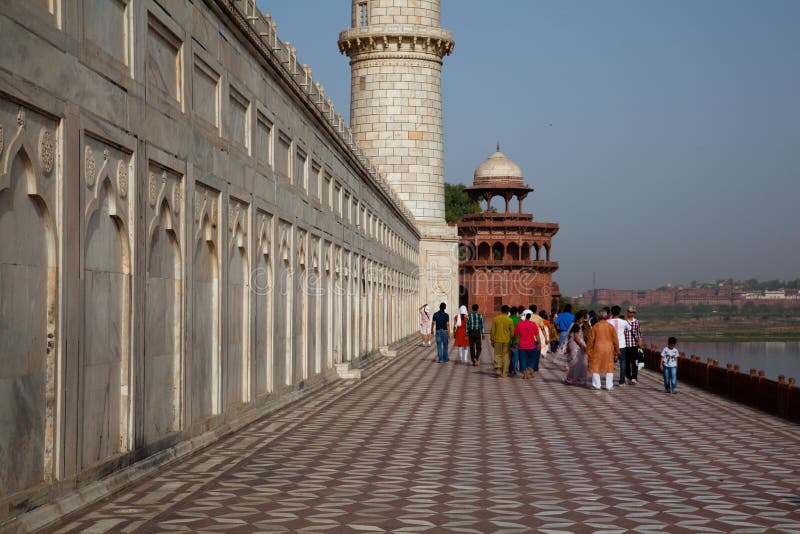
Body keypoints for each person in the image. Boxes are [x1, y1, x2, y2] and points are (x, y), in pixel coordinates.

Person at [586, 307, 619, 391]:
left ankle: (597, 385)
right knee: (609, 366)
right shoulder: (611, 327)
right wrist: (617, 351)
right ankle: (609, 385)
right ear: (606, 316)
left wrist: (588, 350)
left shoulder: (595, 327)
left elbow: (591, 340)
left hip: (597, 348)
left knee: (595, 366)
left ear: (598, 317)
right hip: (609, 349)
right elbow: (615, 340)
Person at [607, 305, 631, 387]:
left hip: (611, 345)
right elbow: (630, 328)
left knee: (610, 363)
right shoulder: (623, 322)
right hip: (621, 345)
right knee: (623, 363)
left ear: (611, 312)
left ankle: (609, 381)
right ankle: (621, 382)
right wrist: (625, 320)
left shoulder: (608, 322)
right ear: (619, 312)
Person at [513, 309, 541, 379]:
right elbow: (537, 335)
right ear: (530, 317)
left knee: (523, 360)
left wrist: (513, 342)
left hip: (522, 346)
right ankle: (530, 367)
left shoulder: (519, 324)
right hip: (531, 345)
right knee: (532, 359)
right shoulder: (533, 324)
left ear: (524, 317)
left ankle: (525, 374)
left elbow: (515, 334)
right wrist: (539, 343)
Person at [564, 310, 589, 385]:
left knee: (581, 361)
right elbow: (576, 337)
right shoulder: (576, 325)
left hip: (577, 344)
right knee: (575, 362)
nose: (584, 319)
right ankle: (573, 378)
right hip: (576, 345)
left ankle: (579, 378)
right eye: (584, 318)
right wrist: (582, 346)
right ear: (580, 318)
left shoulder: (578, 325)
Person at [490, 305, 514, 378]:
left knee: (497, 355)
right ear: (507, 312)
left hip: (497, 340)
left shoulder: (495, 319)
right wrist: (512, 341)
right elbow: (512, 333)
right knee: (506, 356)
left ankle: (498, 368)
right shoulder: (510, 320)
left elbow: (492, 331)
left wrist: (492, 340)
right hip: (507, 341)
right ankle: (504, 373)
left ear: (501, 310)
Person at [623, 306, 644, 385]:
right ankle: (628, 377)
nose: (630, 313)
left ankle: (634, 377)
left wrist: (640, 343)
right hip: (626, 344)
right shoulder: (624, 321)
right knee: (627, 362)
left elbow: (639, 333)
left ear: (634, 313)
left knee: (634, 362)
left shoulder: (636, 322)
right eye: (629, 312)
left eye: (632, 312)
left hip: (634, 344)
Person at [509, 307, 522, 375]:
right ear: (517, 312)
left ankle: (508, 368)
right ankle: (514, 369)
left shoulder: (508, 319)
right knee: (515, 356)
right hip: (516, 340)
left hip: (507, 340)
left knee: (508, 355)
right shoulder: (519, 320)